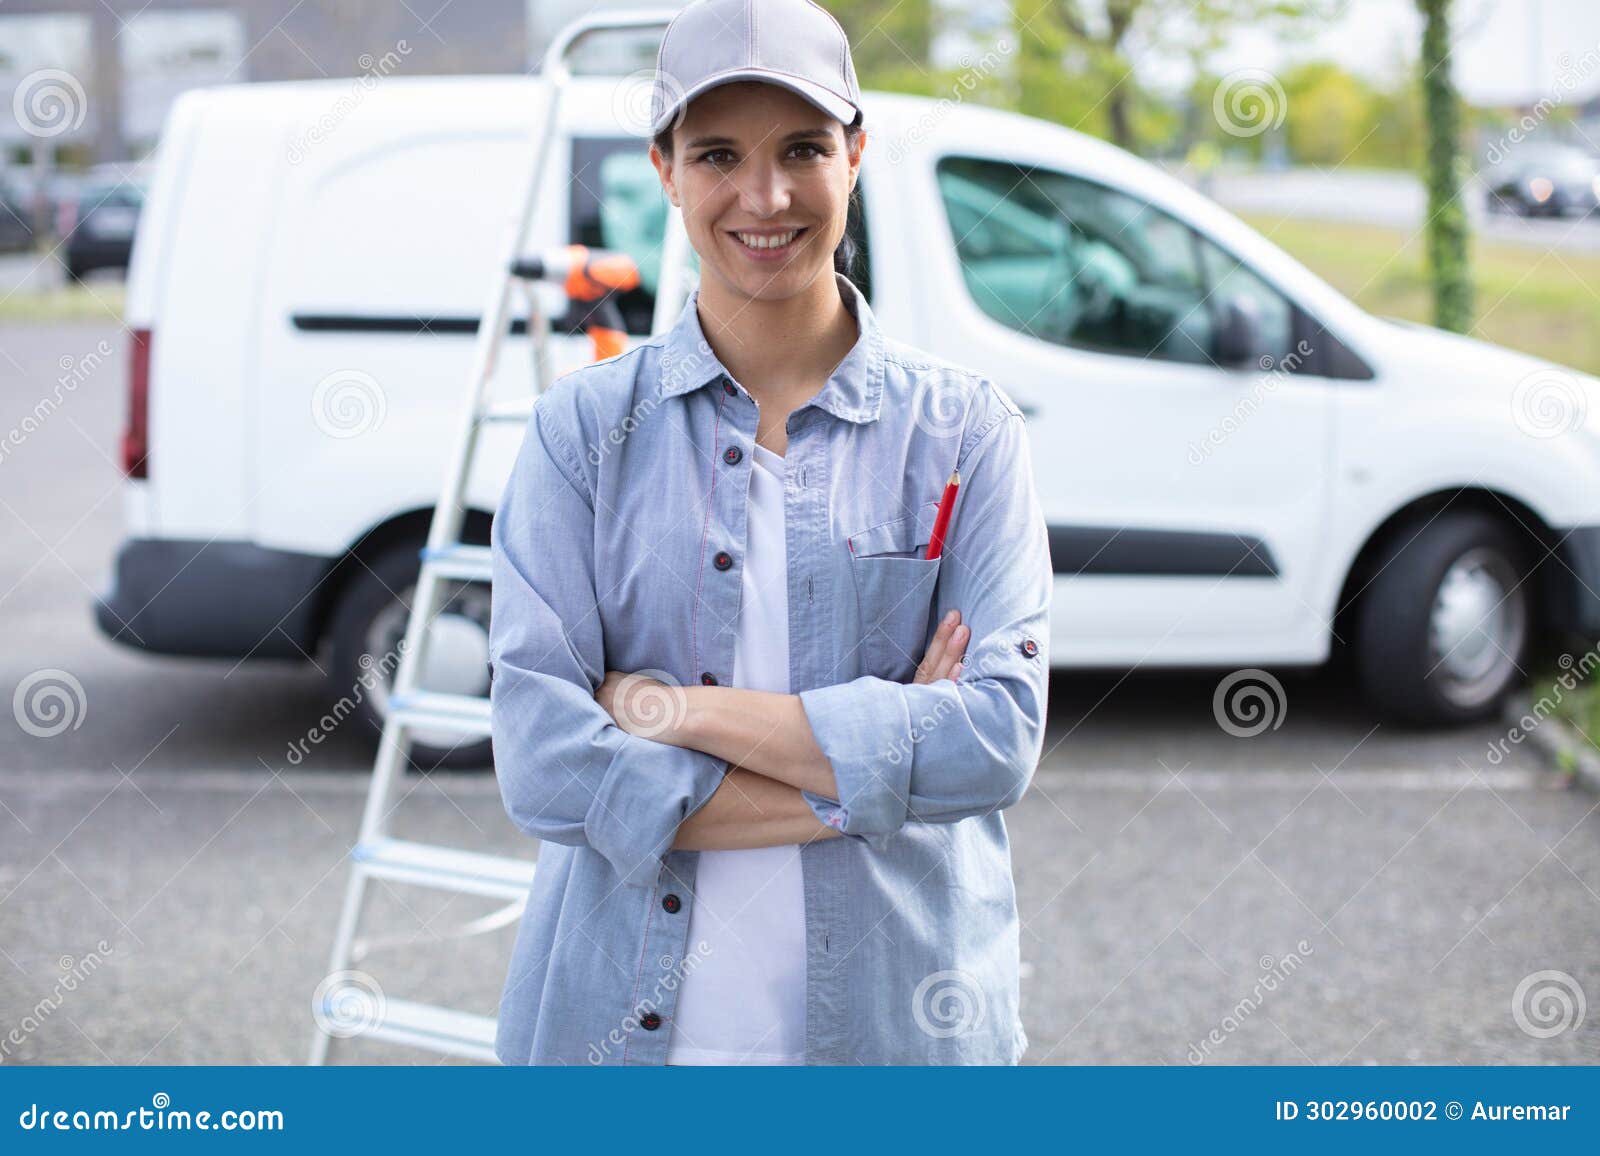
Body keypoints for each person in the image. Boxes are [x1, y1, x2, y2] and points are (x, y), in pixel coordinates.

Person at [488, 0, 1052, 1065]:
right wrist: (875, 764)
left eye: (802, 149)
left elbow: (991, 740)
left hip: (899, 1039)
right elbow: (546, 767)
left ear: (857, 154)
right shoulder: (581, 433)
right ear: (664, 169)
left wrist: (670, 709)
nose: (765, 195)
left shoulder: (966, 432)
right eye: (717, 155)